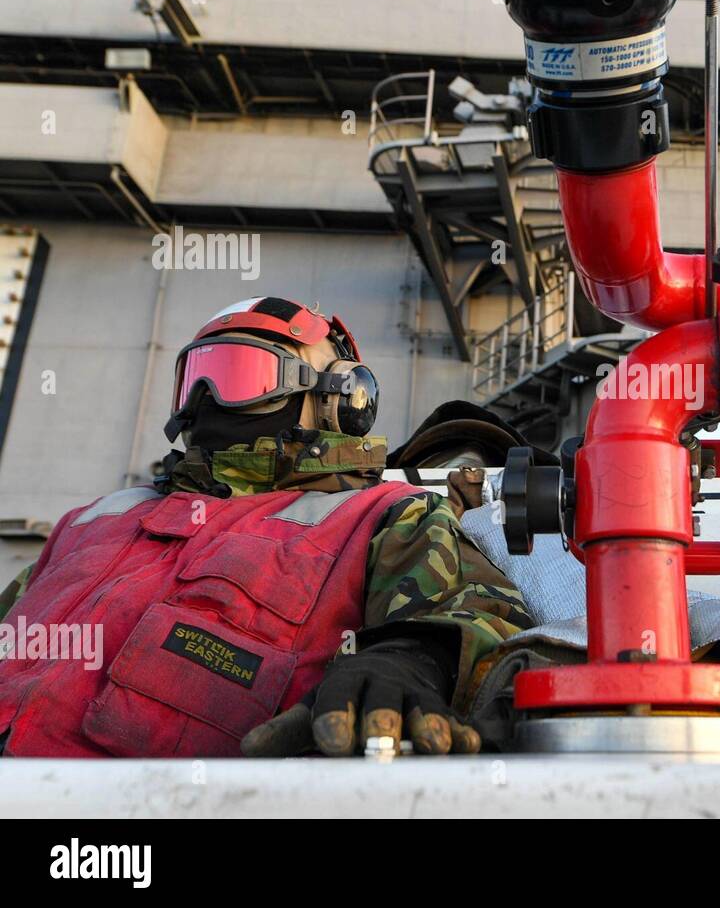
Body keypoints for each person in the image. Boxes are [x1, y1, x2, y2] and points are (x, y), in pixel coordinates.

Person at [0, 297, 530, 757]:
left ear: (338, 401)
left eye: (239, 377)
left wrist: (411, 659)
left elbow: (488, 617)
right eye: (196, 379)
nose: (206, 397)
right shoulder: (93, 519)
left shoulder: (383, 517)